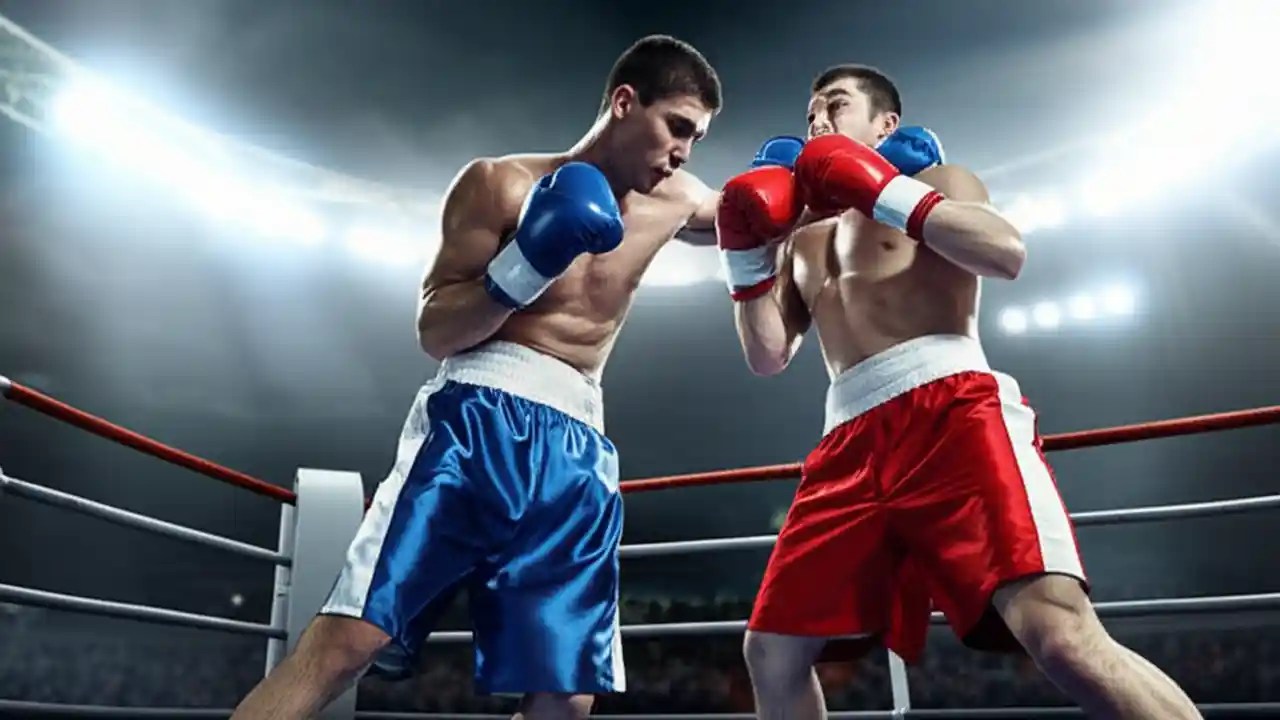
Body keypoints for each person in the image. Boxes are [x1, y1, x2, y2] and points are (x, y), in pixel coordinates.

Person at [230, 34, 724, 720]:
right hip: (477, 418)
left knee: (565, 697)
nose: (683, 152)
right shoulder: (499, 183)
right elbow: (436, 331)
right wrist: (527, 262)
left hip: (579, 443)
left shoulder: (680, 199)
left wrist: (852, 176)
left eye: (696, 137)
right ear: (623, 102)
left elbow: (763, 217)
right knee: (347, 644)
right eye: (676, 127)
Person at [716, 64, 1202, 719]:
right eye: (810, 116)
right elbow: (768, 355)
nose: (818, 123)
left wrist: (884, 193)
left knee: (1059, 636)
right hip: (846, 444)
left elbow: (1006, 253)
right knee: (771, 654)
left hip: (947, 409)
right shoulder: (800, 239)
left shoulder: (936, 183)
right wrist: (746, 262)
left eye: (835, 105)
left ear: (885, 124)